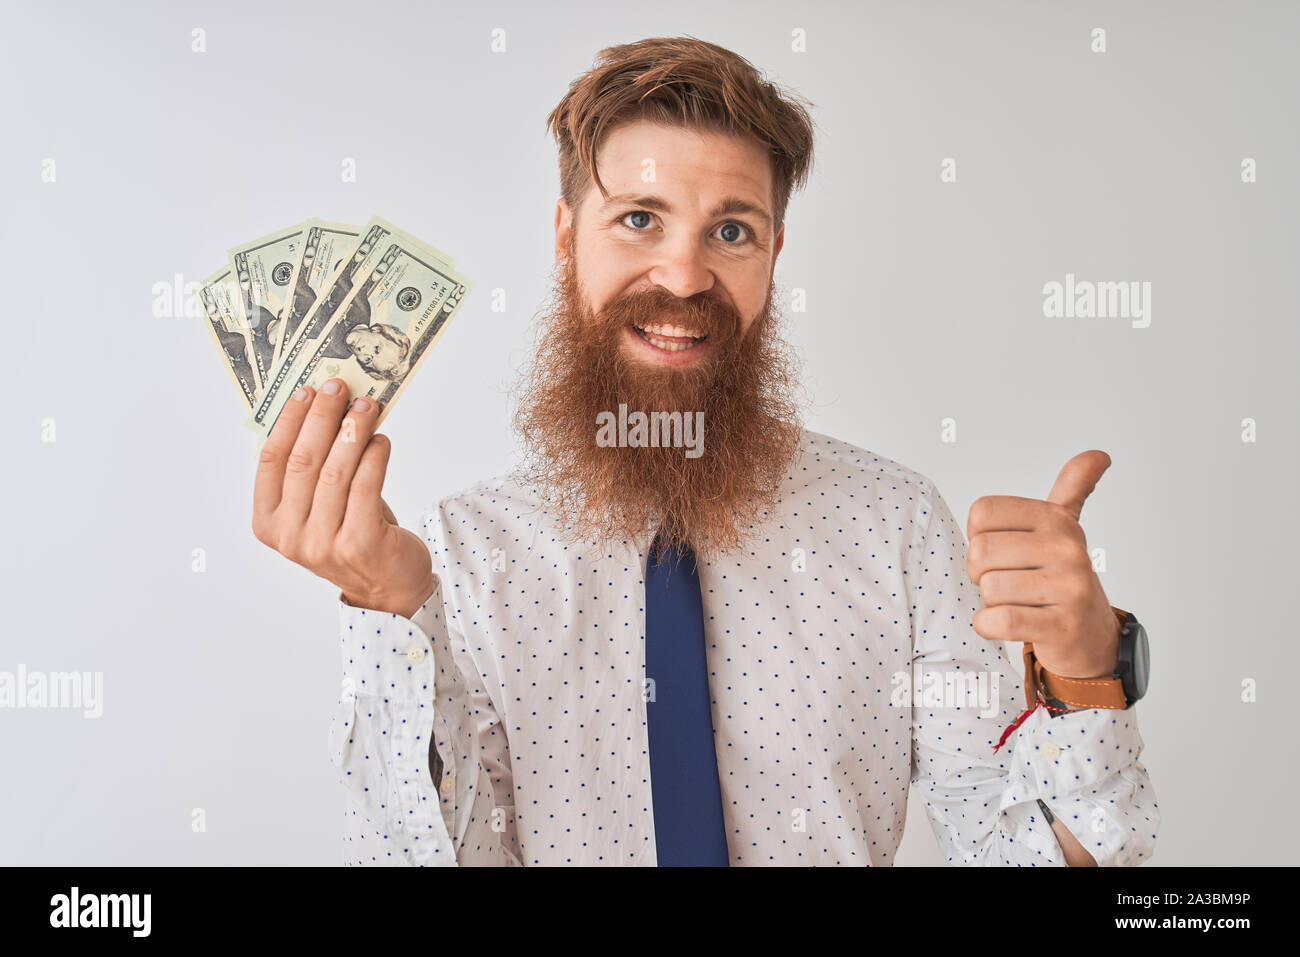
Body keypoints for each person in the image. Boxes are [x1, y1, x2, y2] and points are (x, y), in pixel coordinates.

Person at [251, 36, 1157, 866]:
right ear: (567, 240)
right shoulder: (459, 556)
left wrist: (1083, 671)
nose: (684, 276)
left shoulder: (897, 526)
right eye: (639, 219)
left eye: (731, 230)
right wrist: (389, 607)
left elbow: (1018, 857)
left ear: (773, 251)